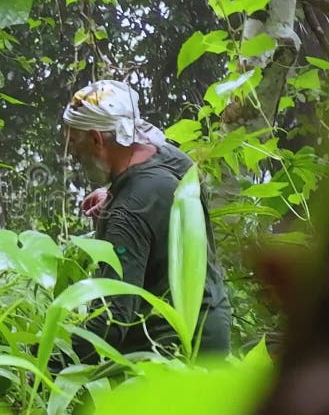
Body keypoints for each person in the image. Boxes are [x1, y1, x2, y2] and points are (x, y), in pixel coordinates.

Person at [60, 80, 231, 365]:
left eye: (74, 141)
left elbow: (113, 319)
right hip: (210, 326)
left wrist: (49, 366)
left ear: (96, 138)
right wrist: (114, 192)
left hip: (168, 355)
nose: (72, 153)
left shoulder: (128, 212)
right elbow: (156, 192)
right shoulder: (170, 158)